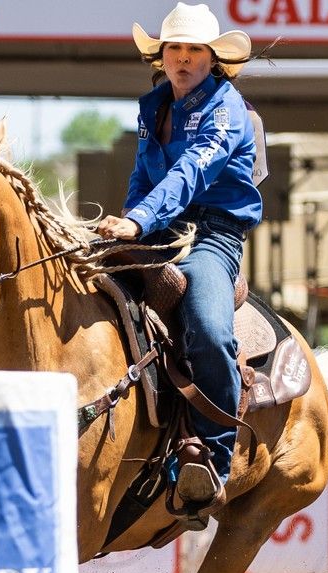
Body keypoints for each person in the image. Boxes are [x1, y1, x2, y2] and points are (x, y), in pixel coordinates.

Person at [96, 3, 262, 513]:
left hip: (213, 236)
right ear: (161, 57)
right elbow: (144, 178)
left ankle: (212, 459)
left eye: (195, 50)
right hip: (157, 229)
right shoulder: (152, 108)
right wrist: (128, 222)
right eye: (175, 49)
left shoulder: (228, 108)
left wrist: (136, 222)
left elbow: (190, 172)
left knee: (208, 329)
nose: (184, 58)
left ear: (213, 59)